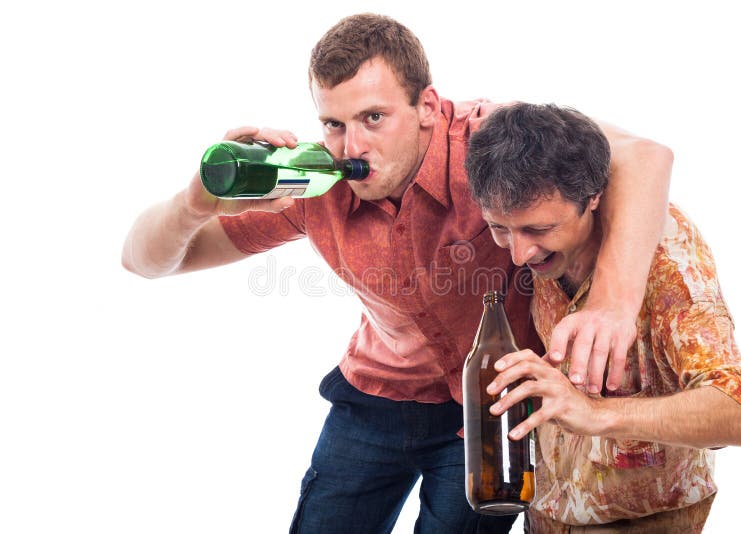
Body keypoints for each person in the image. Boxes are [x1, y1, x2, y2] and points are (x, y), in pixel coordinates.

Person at [122, 14, 674, 533]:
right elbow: (143, 261)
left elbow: (645, 157)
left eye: (374, 118)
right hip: (376, 399)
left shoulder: (494, 142)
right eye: (334, 123)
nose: (353, 146)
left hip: (488, 408)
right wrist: (194, 204)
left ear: (428, 106)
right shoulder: (314, 182)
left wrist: (612, 302)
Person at [465, 102, 741, 533]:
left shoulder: (668, 266)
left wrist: (596, 412)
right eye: (499, 228)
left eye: (538, 230)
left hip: (644, 521)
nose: (518, 254)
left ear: (593, 198)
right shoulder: (539, 230)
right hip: (547, 514)